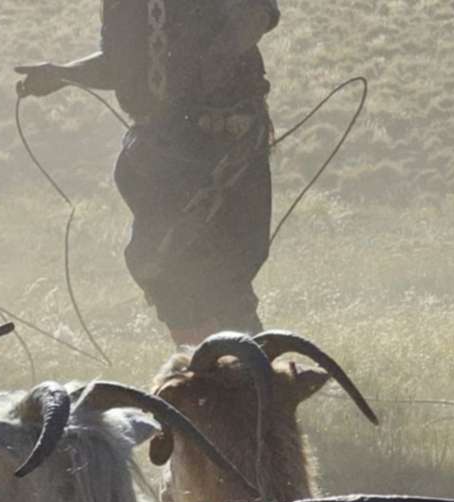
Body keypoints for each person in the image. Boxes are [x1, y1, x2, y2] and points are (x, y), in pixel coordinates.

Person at [16, 0, 281, 345]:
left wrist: (212, 59)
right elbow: (119, 65)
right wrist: (63, 74)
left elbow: (256, 14)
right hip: (162, 153)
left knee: (218, 273)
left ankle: (246, 372)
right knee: (159, 266)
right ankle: (206, 370)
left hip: (224, 148)